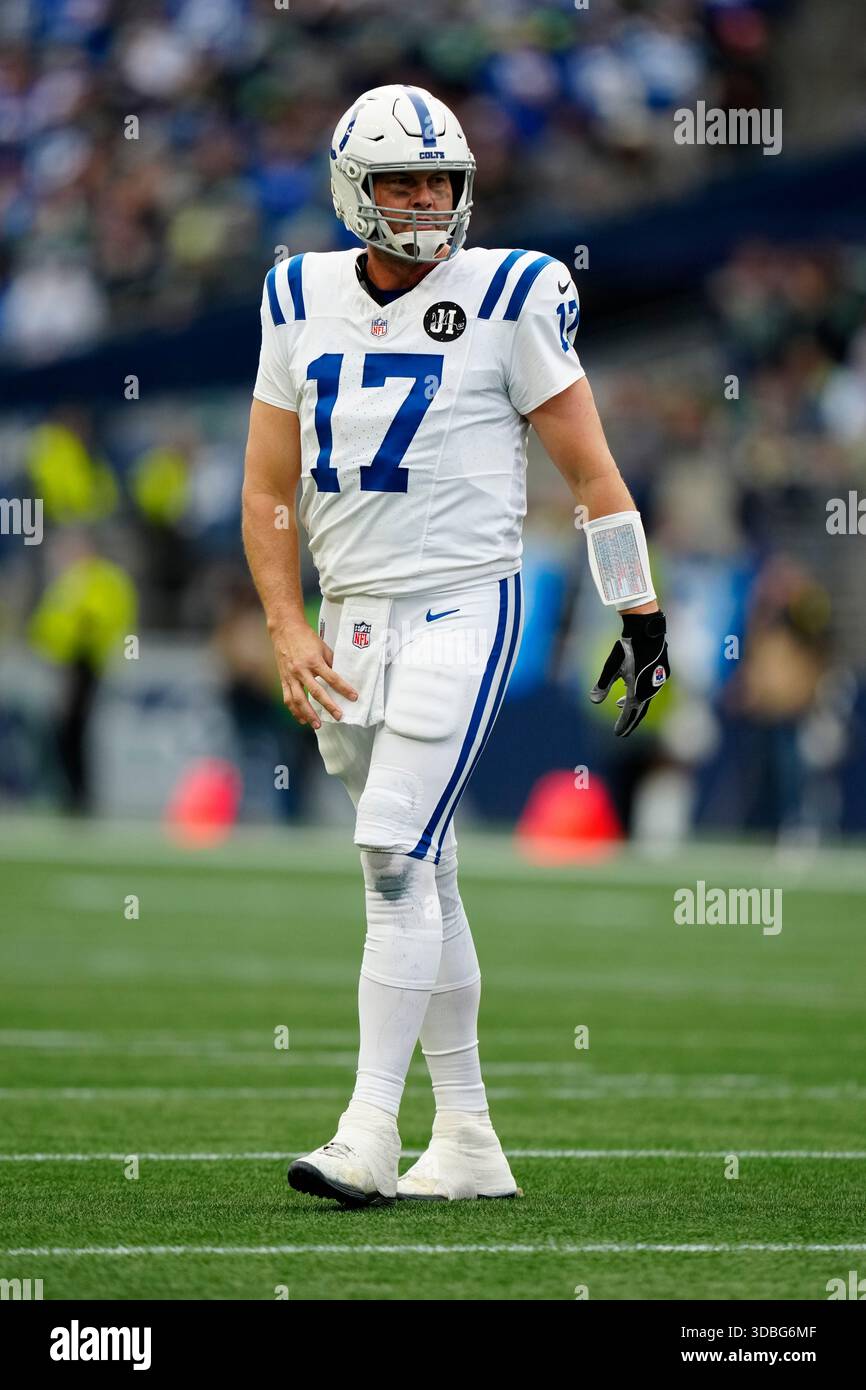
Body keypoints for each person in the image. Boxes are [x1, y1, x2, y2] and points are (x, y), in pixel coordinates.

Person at [242, 84, 670, 1206]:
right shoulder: (296, 295)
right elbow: (265, 488)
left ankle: (366, 1134)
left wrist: (640, 613)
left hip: (463, 603)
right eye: (403, 183)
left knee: (389, 855)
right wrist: (286, 623)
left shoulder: (513, 292)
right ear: (353, 192)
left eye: (440, 181)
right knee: (422, 868)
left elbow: (590, 473)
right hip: (349, 620)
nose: (427, 202)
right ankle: (469, 1140)